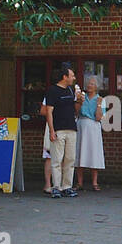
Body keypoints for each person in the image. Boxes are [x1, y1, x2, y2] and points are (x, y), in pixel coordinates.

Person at [43, 63, 78, 198]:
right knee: (57, 159)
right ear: (64, 77)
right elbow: (49, 112)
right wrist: (52, 130)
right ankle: (56, 186)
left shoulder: (70, 90)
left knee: (70, 159)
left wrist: (79, 100)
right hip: (58, 128)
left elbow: (74, 109)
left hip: (71, 128)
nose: (73, 78)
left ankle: (67, 186)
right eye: (71, 75)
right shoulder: (52, 91)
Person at [75, 76, 106, 191]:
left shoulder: (101, 100)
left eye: (92, 84)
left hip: (93, 127)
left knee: (94, 153)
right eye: (88, 83)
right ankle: (79, 182)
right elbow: (77, 112)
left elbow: (98, 117)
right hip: (81, 125)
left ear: (97, 86)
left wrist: (98, 104)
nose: (89, 86)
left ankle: (94, 182)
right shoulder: (82, 97)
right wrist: (79, 101)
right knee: (80, 152)